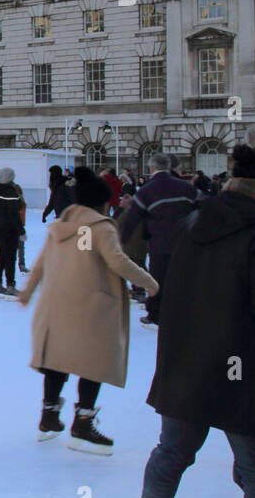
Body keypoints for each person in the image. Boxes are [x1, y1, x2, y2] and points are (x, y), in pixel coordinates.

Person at [134, 144, 255, 498]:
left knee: (172, 451)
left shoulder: (192, 221)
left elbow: (169, 283)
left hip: (188, 362)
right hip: (247, 369)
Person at [17, 167, 158, 453]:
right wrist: (151, 283)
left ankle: (49, 416)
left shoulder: (60, 227)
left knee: (58, 360)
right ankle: (83, 422)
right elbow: (117, 262)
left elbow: (41, 262)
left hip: (56, 305)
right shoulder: (100, 227)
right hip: (91, 307)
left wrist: (28, 292)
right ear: (103, 202)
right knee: (94, 361)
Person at [118, 153, 198, 329]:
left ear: (151, 168)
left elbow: (132, 218)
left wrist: (121, 240)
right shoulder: (185, 187)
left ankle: (155, 315)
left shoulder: (147, 190)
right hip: (185, 242)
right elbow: (202, 206)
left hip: (160, 242)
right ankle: (182, 311)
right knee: (181, 277)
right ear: (169, 167)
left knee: (157, 280)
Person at [0, 167, 26, 298]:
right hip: (8, 230)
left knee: (1, 257)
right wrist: (21, 231)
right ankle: (10, 285)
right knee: (10, 257)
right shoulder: (10, 191)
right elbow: (14, 215)